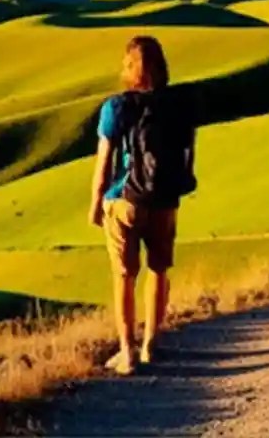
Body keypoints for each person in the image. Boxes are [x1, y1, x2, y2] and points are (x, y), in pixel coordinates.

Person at [89, 35, 197, 375]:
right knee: (159, 271)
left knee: (124, 275)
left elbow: (104, 162)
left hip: (125, 201)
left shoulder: (117, 107)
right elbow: (187, 155)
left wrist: (95, 202)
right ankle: (151, 344)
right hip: (165, 199)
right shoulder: (179, 104)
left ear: (131, 68)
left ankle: (127, 351)